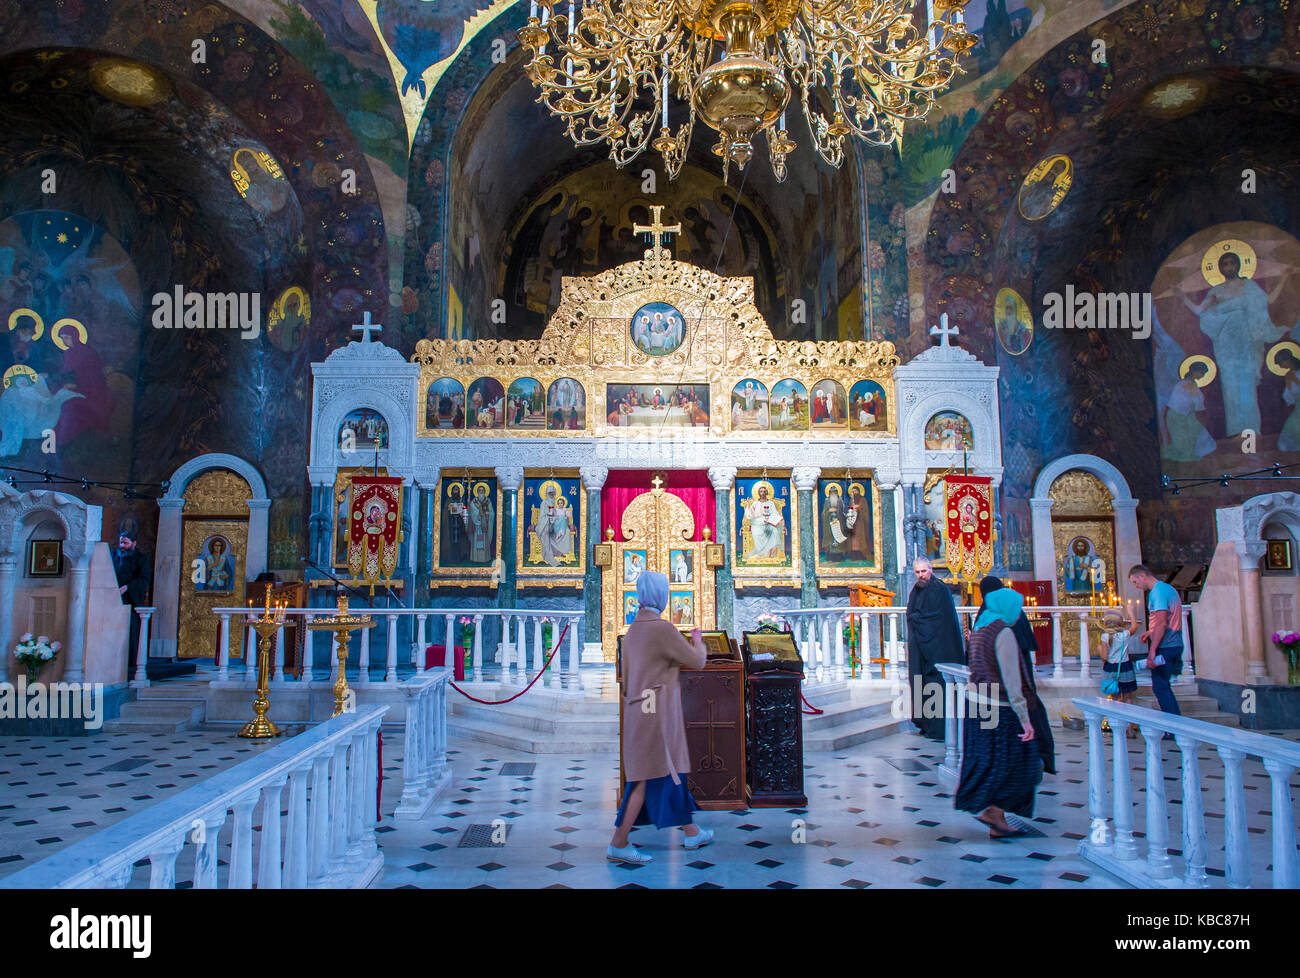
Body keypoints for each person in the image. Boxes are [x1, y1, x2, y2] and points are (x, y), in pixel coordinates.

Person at [608, 572, 711, 865]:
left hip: (639, 709)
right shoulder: (661, 629)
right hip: (654, 713)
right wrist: (698, 640)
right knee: (646, 778)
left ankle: (691, 832)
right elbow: (698, 661)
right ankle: (618, 842)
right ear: (662, 595)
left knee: (666, 774)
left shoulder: (633, 630)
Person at [955, 586, 1043, 838]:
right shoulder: (1003, 633)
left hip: (977, 704)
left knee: (990, 762)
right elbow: (1011, 680)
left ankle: (997, 820)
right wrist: (1025, 718)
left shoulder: (980, 627)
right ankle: (995, 812)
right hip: (999, 707)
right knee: (1020, 764)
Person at [975, 576, 1055, 774]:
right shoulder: (1012, 611)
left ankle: (1025, 759)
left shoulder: (987, 614)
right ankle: (1037, 755)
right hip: (1015, 675)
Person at [904, 557, 965, 740]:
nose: (921, 575)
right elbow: (912, 613)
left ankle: (939, 729)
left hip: (939, 649)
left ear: (930, 570)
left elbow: (939, 619)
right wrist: (916, 620)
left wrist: (917, 620)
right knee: (919, 682)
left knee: (936, 686)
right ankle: (926, 723)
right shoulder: (916, 590)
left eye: (924, 571)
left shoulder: (940, 590)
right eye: (917, 572)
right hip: (920, 648)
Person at [1127, 564, 1183, 716]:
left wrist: (1152, 650)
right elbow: (1168, 619)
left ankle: (1173, 727)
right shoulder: (1167, 589)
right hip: (1174, 643)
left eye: (1135, 582)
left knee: (1161, 687)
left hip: (1167, 645)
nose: (1136, 586)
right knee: (1162, 686)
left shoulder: (1157, 592)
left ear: (1142, 576)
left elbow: (1162, 622)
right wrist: (1150, 632)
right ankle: (1174, 725)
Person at [112, 526, 152, 676]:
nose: (122, 546)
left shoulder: (140, 559)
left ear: (134, 544)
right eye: (121, 543)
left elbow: (144, 579)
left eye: (126, 543)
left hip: (131, 600)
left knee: (132, 633)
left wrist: (128, 587)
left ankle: (130, 664)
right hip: (112, 601)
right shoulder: (113, 556)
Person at [1099, 612, 1139, 738]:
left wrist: (1101, 656)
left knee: (1115, 699)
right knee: (1128, 698)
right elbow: (1134, 627)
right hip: (1125, 667)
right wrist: (1132, 613)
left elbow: (1105, 656)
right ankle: (1130, 727)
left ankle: (1117, 726)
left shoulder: (1105, 636)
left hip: (1111, 668)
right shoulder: (1125, 635)